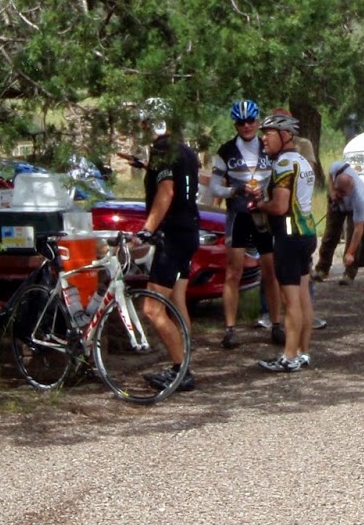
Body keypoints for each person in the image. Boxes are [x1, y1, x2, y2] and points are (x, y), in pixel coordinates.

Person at [136, 109, 200, 392]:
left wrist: (147, 230)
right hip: (188, 232)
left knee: (152, 308)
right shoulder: (185, 150)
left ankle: (180, 369)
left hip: (173, 237)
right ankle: (185, 362)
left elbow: (166, 191)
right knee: (178, 300)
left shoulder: (162, 149)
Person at [209, 99, 277, 348]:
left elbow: (279, 181)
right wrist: (234, 191)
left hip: (264, 215)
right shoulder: (225, 151)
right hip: (238, 215)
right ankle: (230, 329)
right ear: (235, 124)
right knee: (233, 272)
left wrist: (267, 195)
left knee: (270, 271)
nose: (246, 126)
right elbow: (215, 186)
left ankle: (276, 323)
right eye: (241, 122)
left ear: (258, 122)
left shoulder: (269, 148)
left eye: (251, 121)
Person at [255, 112, 318, 372]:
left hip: (289, 236)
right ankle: (303, 352)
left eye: (268, 133)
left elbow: (280, 206)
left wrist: (259, 204)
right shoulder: (302, 162)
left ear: (285, 135)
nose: (263, 139)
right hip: (307, 233)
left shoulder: (282, 164)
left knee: (290, 301)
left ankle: (289, 357)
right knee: (304, 298)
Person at [315, 160, 364, 284]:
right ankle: (322, 269)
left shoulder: (359, 197)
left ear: (351, 187)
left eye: (343, 192)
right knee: (330, 235)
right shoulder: (337, 168)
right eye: (338, 189)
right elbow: (329, 176)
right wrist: (333, 192)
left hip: (351, 209)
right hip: (336, 204)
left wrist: (350, 252)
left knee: (352, 239)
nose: (340, 194)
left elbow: (358, 229)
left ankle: (349, 273)